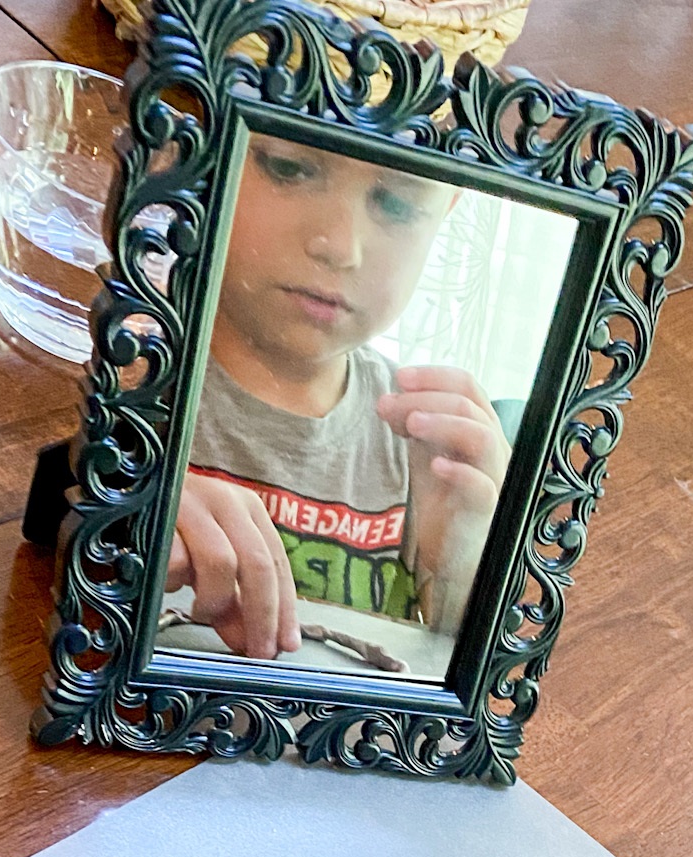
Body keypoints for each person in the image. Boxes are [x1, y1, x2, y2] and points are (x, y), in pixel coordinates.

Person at [168, 133, 511, 656]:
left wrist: (469, 571)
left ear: (446, 212)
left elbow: (451, 670)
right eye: (288, 169)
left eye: (397, 204)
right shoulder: (134, 370)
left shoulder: (426, 440)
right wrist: (135, 505)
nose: (339, 245)